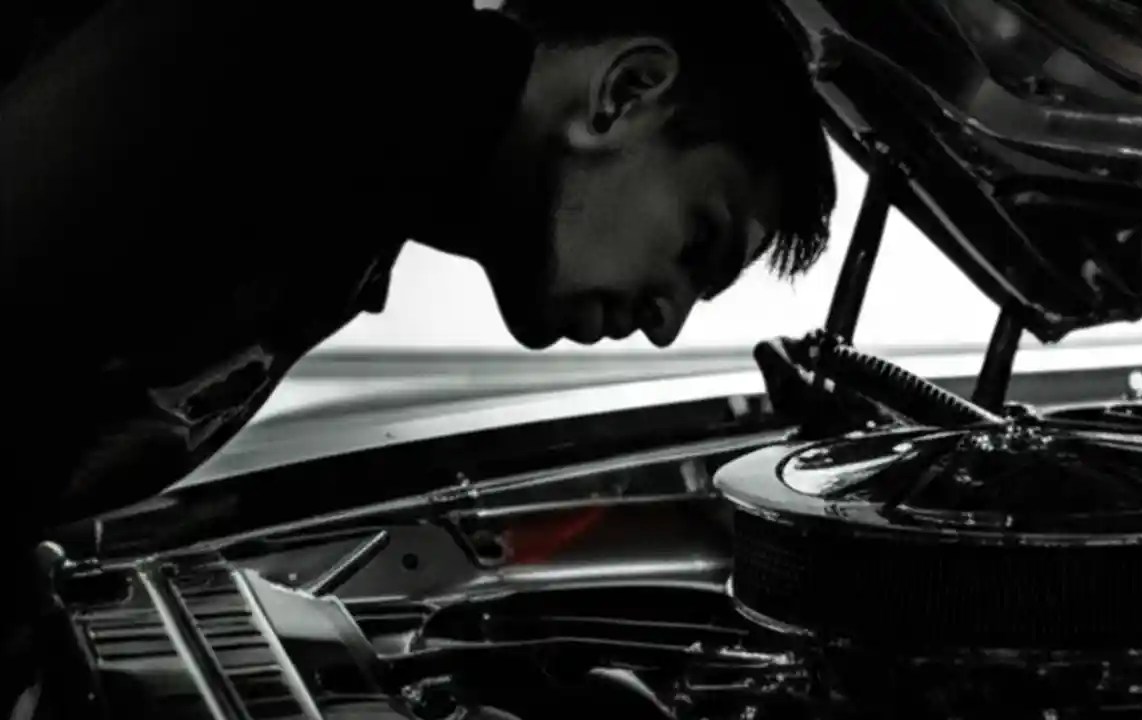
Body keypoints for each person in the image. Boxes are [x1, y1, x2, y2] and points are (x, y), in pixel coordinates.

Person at [0, 0, 835, 538]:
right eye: (699, 243)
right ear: (624, 93)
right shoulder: (278, 52)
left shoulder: (360, 172)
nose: (667, 326)